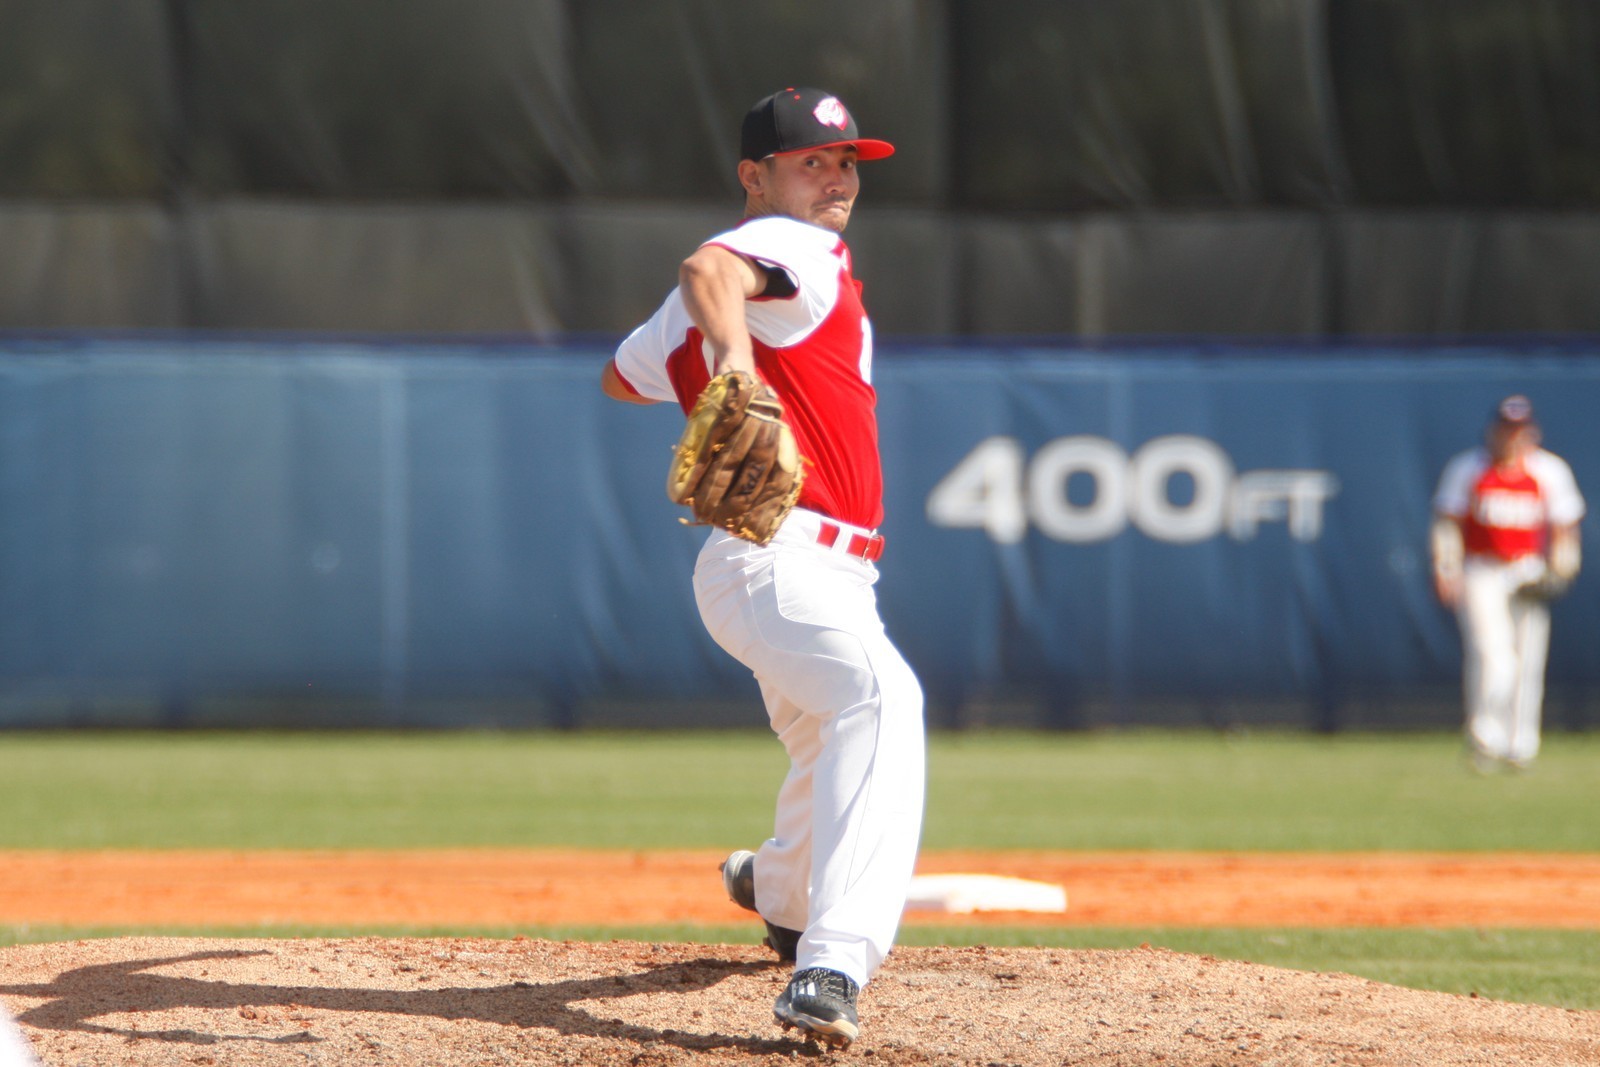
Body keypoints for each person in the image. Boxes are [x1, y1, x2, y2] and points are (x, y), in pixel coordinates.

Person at [599, 87, 925, 1047]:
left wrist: (708, 355)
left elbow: (626, 374)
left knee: (832, 737)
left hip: (790, 573)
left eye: (846, 161)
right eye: (810, 161)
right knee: (880, 702)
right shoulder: (801, 250)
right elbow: (711, 263)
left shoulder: (748, 282)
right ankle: (832, 964)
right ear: (756, 177)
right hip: (785, 559)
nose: (835, 178)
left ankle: (779, 890)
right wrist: (737, 359)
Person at [1430, 395, 1585, 772]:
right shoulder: (1469, 468)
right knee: (1492, 654)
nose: (1512, 437)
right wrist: (1445, 567)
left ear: (1532, 432)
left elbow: (1565, 527)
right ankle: (1485, 737)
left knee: (1528, 659)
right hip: (1483, 569)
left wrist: (1562, 569)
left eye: (1520, 430)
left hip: (1528, 569)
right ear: (1493, 431)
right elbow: (1448, 521)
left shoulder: (1549, 470)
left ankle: (1520, 744)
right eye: (1506, 429)